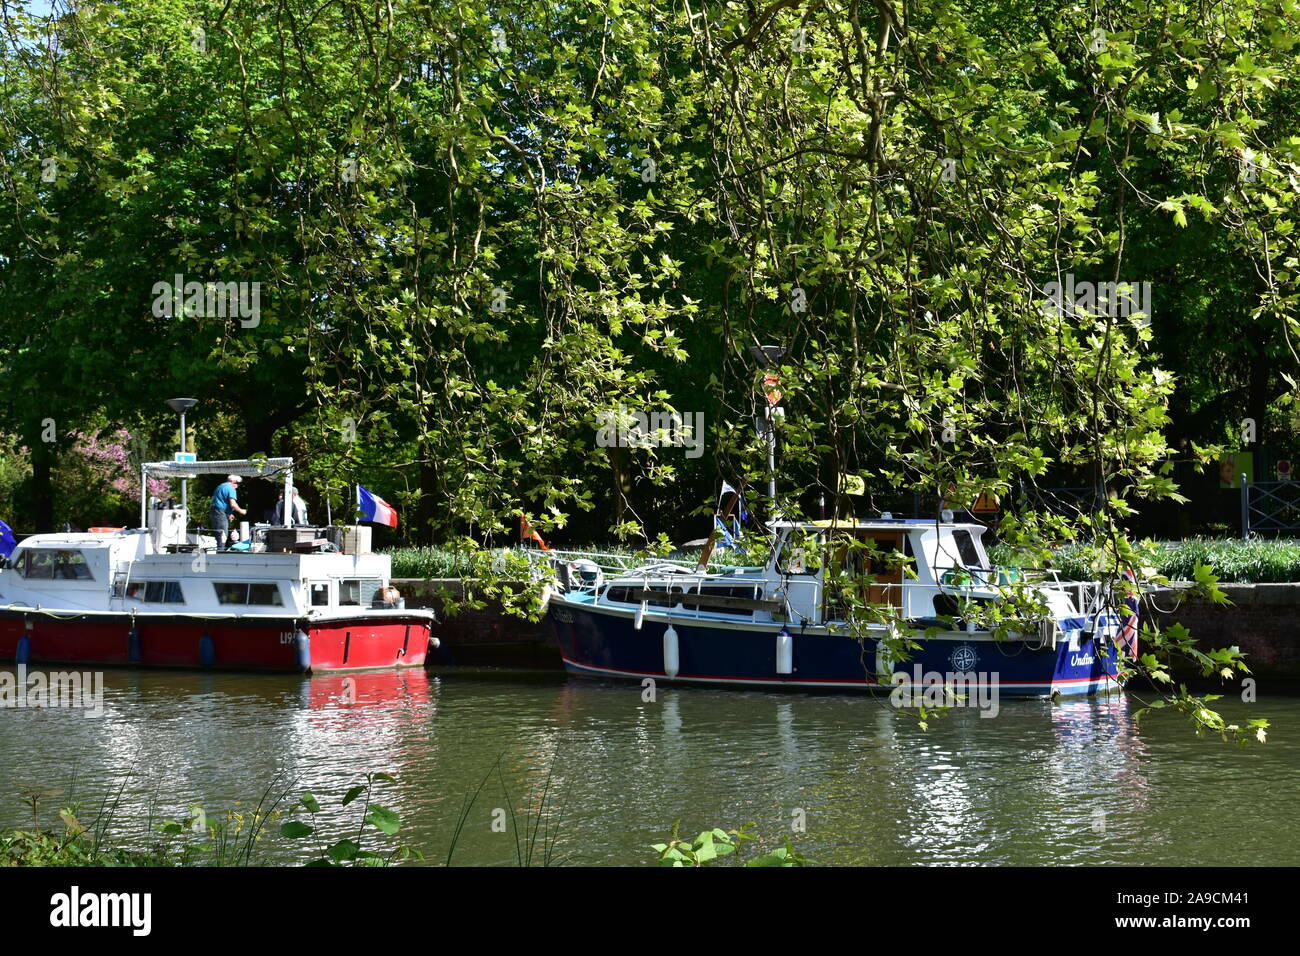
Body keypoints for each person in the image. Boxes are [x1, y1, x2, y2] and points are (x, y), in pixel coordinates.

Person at [209, 474, 247, 547]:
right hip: (220, 512)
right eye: (238, 484)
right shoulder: (231, 488)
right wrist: (241, 511)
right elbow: (233, 504)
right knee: (223, 534)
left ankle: (220, 549)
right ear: (234, 481)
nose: (238, 486)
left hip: (214, 511)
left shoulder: (221, 486)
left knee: (219, 533)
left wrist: (229, 514)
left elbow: (220, 500)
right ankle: (220, 552)